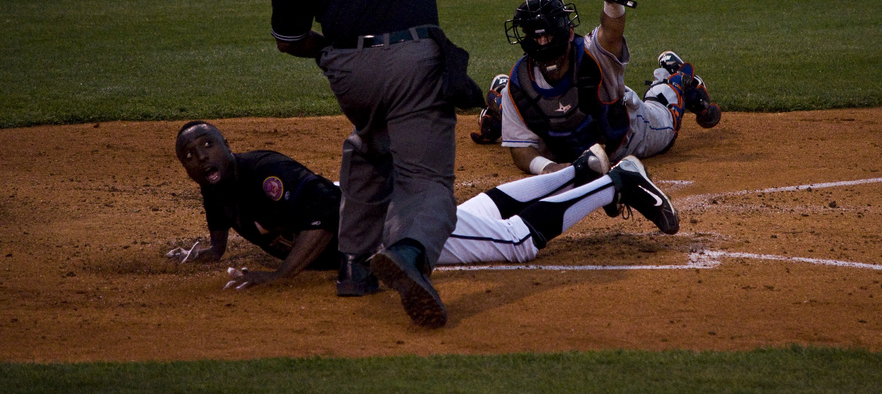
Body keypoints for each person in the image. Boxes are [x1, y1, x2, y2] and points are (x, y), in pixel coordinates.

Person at [269, 0, 470, 328]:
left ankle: (354, 265)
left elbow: (290, 41)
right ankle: (407, 252)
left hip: (348, 73)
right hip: (412, 64)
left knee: (372, 144)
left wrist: (336, 54)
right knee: (428, 180)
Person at [169, 121, 680, 292]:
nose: (201, 158)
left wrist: (279, 275)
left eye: (207, 146)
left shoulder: (262, 172)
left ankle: (616, 182)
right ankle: (578, 170)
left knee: (515, 242)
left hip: (389, 232)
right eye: (191, 156)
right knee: (479, 213)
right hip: (389, 214)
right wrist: (211, 251)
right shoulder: (218, 185)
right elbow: (221, 216)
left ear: (225, 146)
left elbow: (325, 217)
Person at [479, 0, 720, 177]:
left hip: (629, 140)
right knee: (528, 113)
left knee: (667, 120)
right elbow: (520, 150)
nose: (542, 42)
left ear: (569, 33)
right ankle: (503, 106)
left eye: (548, 34)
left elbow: (612, 32)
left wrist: (612, 0)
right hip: (564, 148)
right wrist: (547, 168)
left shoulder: (593, 53)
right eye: (536, 36)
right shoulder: (520, 83)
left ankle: (674, 79)